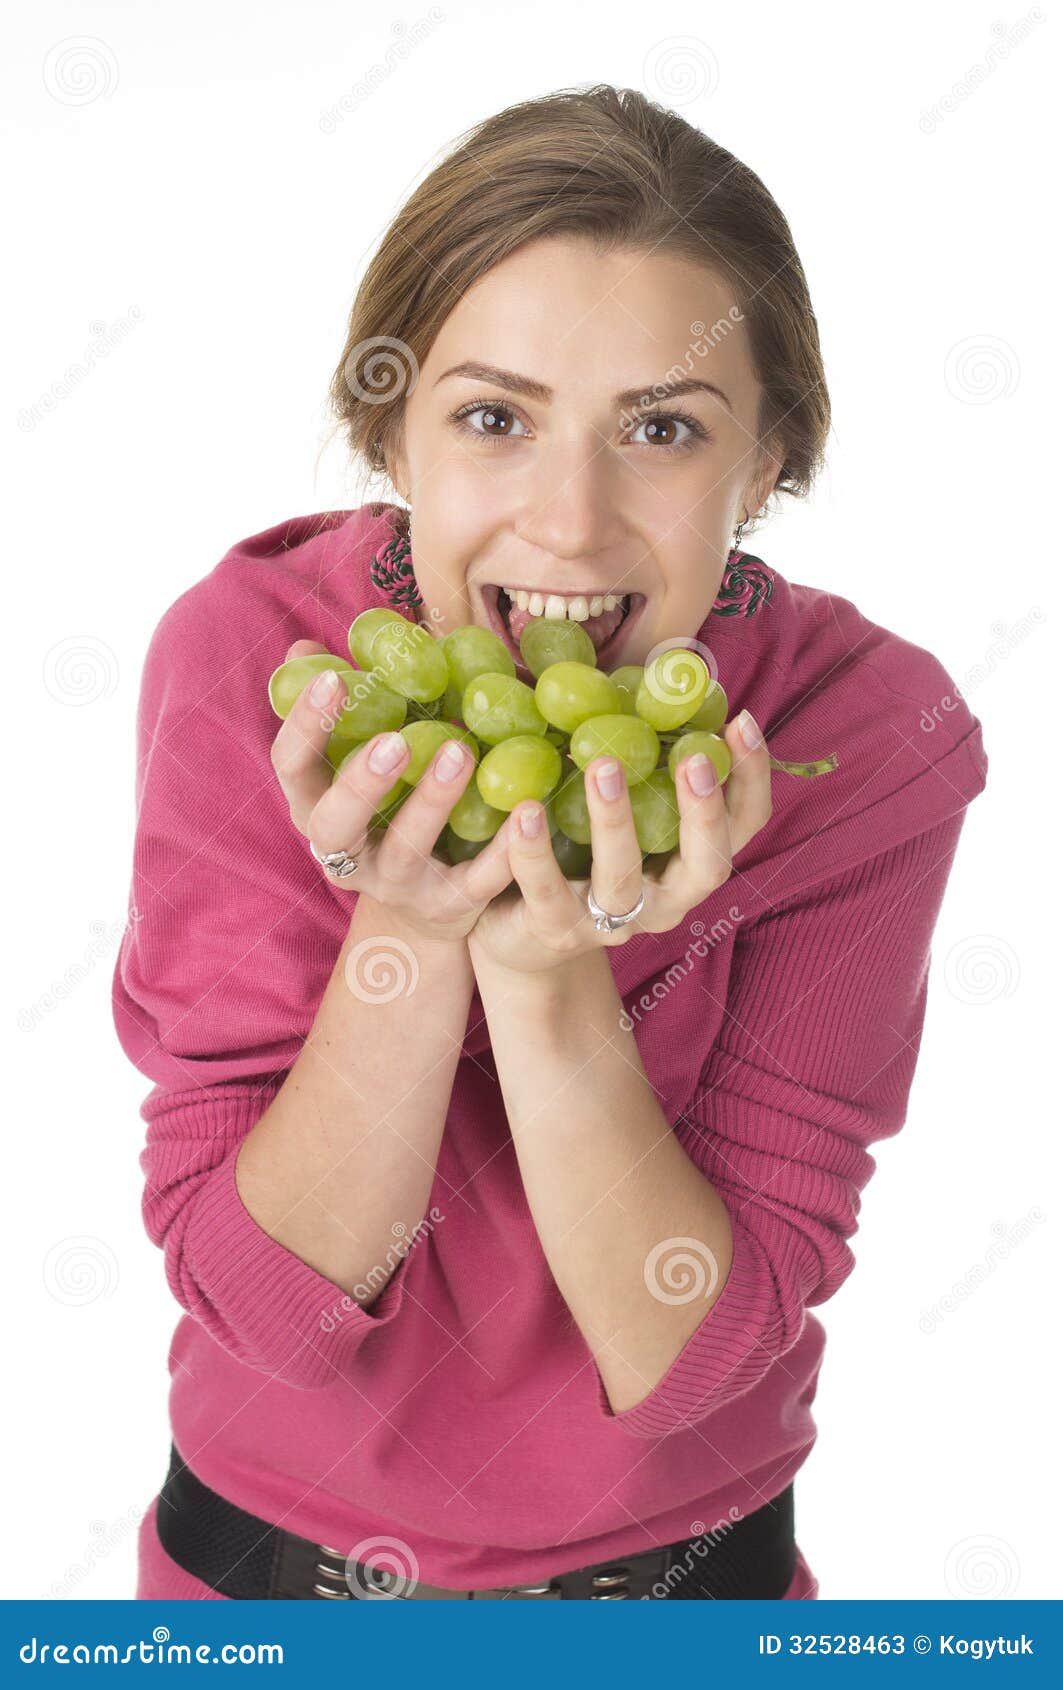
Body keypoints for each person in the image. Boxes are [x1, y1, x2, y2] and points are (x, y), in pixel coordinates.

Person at [115, 84, 988, 1602]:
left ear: (771, 456)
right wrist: (409, 918)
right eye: (494, 418)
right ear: (390, 425)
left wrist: (541, 969)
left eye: (661, 428)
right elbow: (272, 1311)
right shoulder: (254, 662)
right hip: (266, 1598)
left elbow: (692, 1354)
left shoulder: (869, 732)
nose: (571, 524)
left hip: (686, 1605)